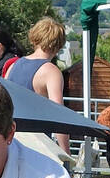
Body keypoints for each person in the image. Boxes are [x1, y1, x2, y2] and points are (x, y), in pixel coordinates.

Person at [4, 17, 70, 155]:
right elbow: (58, 113)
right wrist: (65, 151)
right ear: (59, 44)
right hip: (36, 147)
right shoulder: (51, 71)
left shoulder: (13, 65)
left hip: (9, 142)